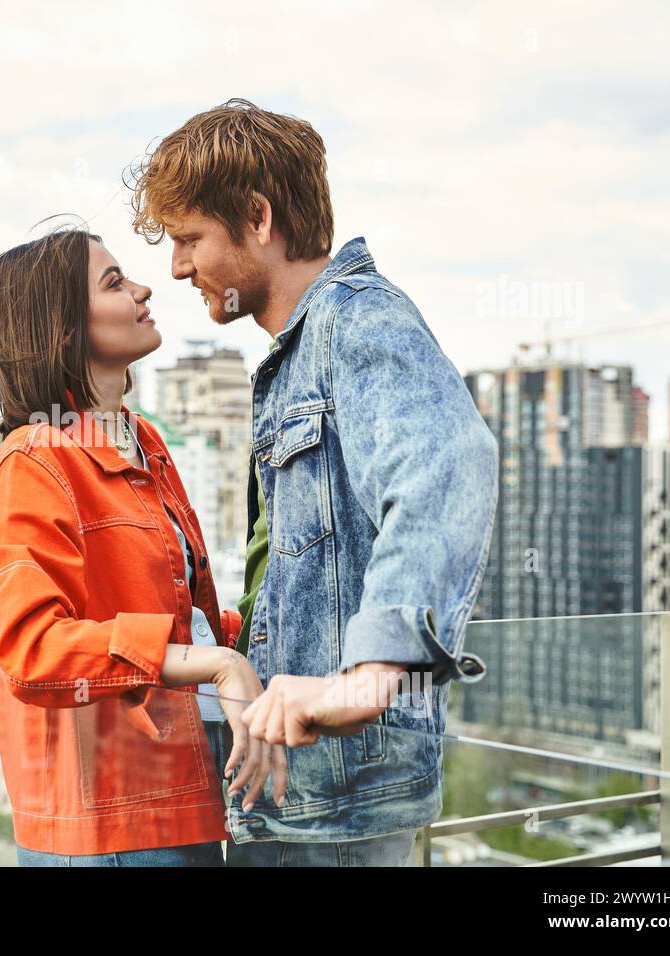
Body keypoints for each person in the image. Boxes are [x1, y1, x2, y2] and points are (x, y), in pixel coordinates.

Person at [127, 99, 500, 866]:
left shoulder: (355, 321)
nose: (176, 267)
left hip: (339, 800)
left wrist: (368, 677)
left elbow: (452, 464)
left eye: (190, 238)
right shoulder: (298, 353)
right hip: (297, 789)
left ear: (258, 217)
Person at [0, 225, 286, 866]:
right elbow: (30, 649)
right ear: (62, 323)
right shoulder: (36, 458)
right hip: (107, 827)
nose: (146, 288)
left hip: (186, 796)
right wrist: (221, 667)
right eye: (114, 282)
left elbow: (188, 624)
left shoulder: (145, 441)